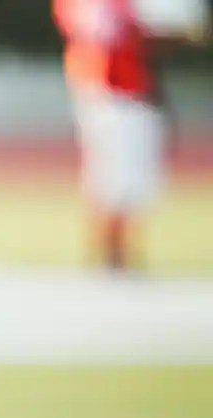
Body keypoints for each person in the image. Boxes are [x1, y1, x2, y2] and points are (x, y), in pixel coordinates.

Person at [55, 0, 209, 271]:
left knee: (120, 179)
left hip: (116, 89)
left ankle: (116, 256)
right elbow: (121, 32)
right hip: (116, 90)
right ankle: (114, 256)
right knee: (119, 179)